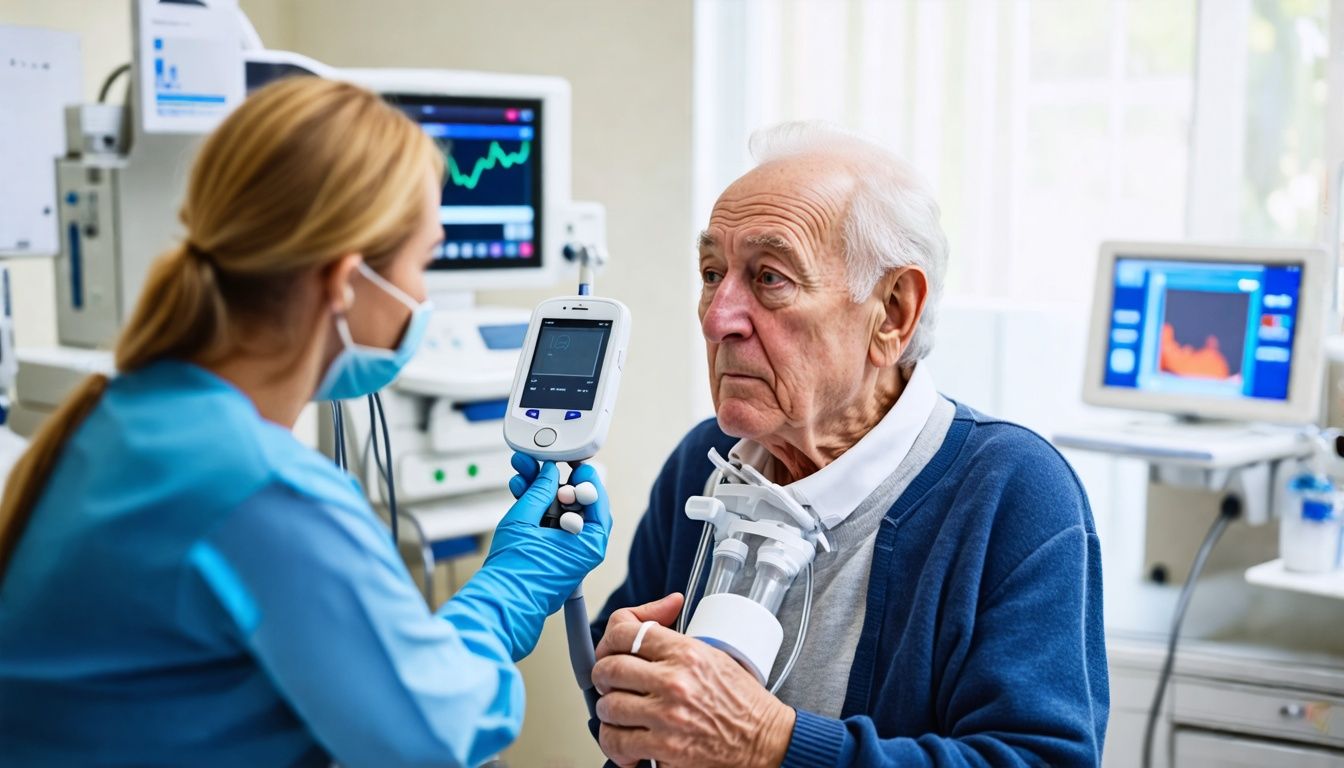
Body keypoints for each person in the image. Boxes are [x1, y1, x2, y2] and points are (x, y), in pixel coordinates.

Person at [0, 77, 610, 767]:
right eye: (423, 262)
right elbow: (433, 736)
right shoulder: (260, 489)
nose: (421, 296)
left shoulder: (119, 417)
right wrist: (508, 592)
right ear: (345, 281)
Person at [588, 122, 1107, 767]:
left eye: (770, 278)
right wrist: (619, 685)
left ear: (892, 312)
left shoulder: (1013, 494)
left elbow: (1038, 760)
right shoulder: (705, 465)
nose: (719, 317)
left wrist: (773, 744)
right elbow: (626, 707)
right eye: (711, 272)